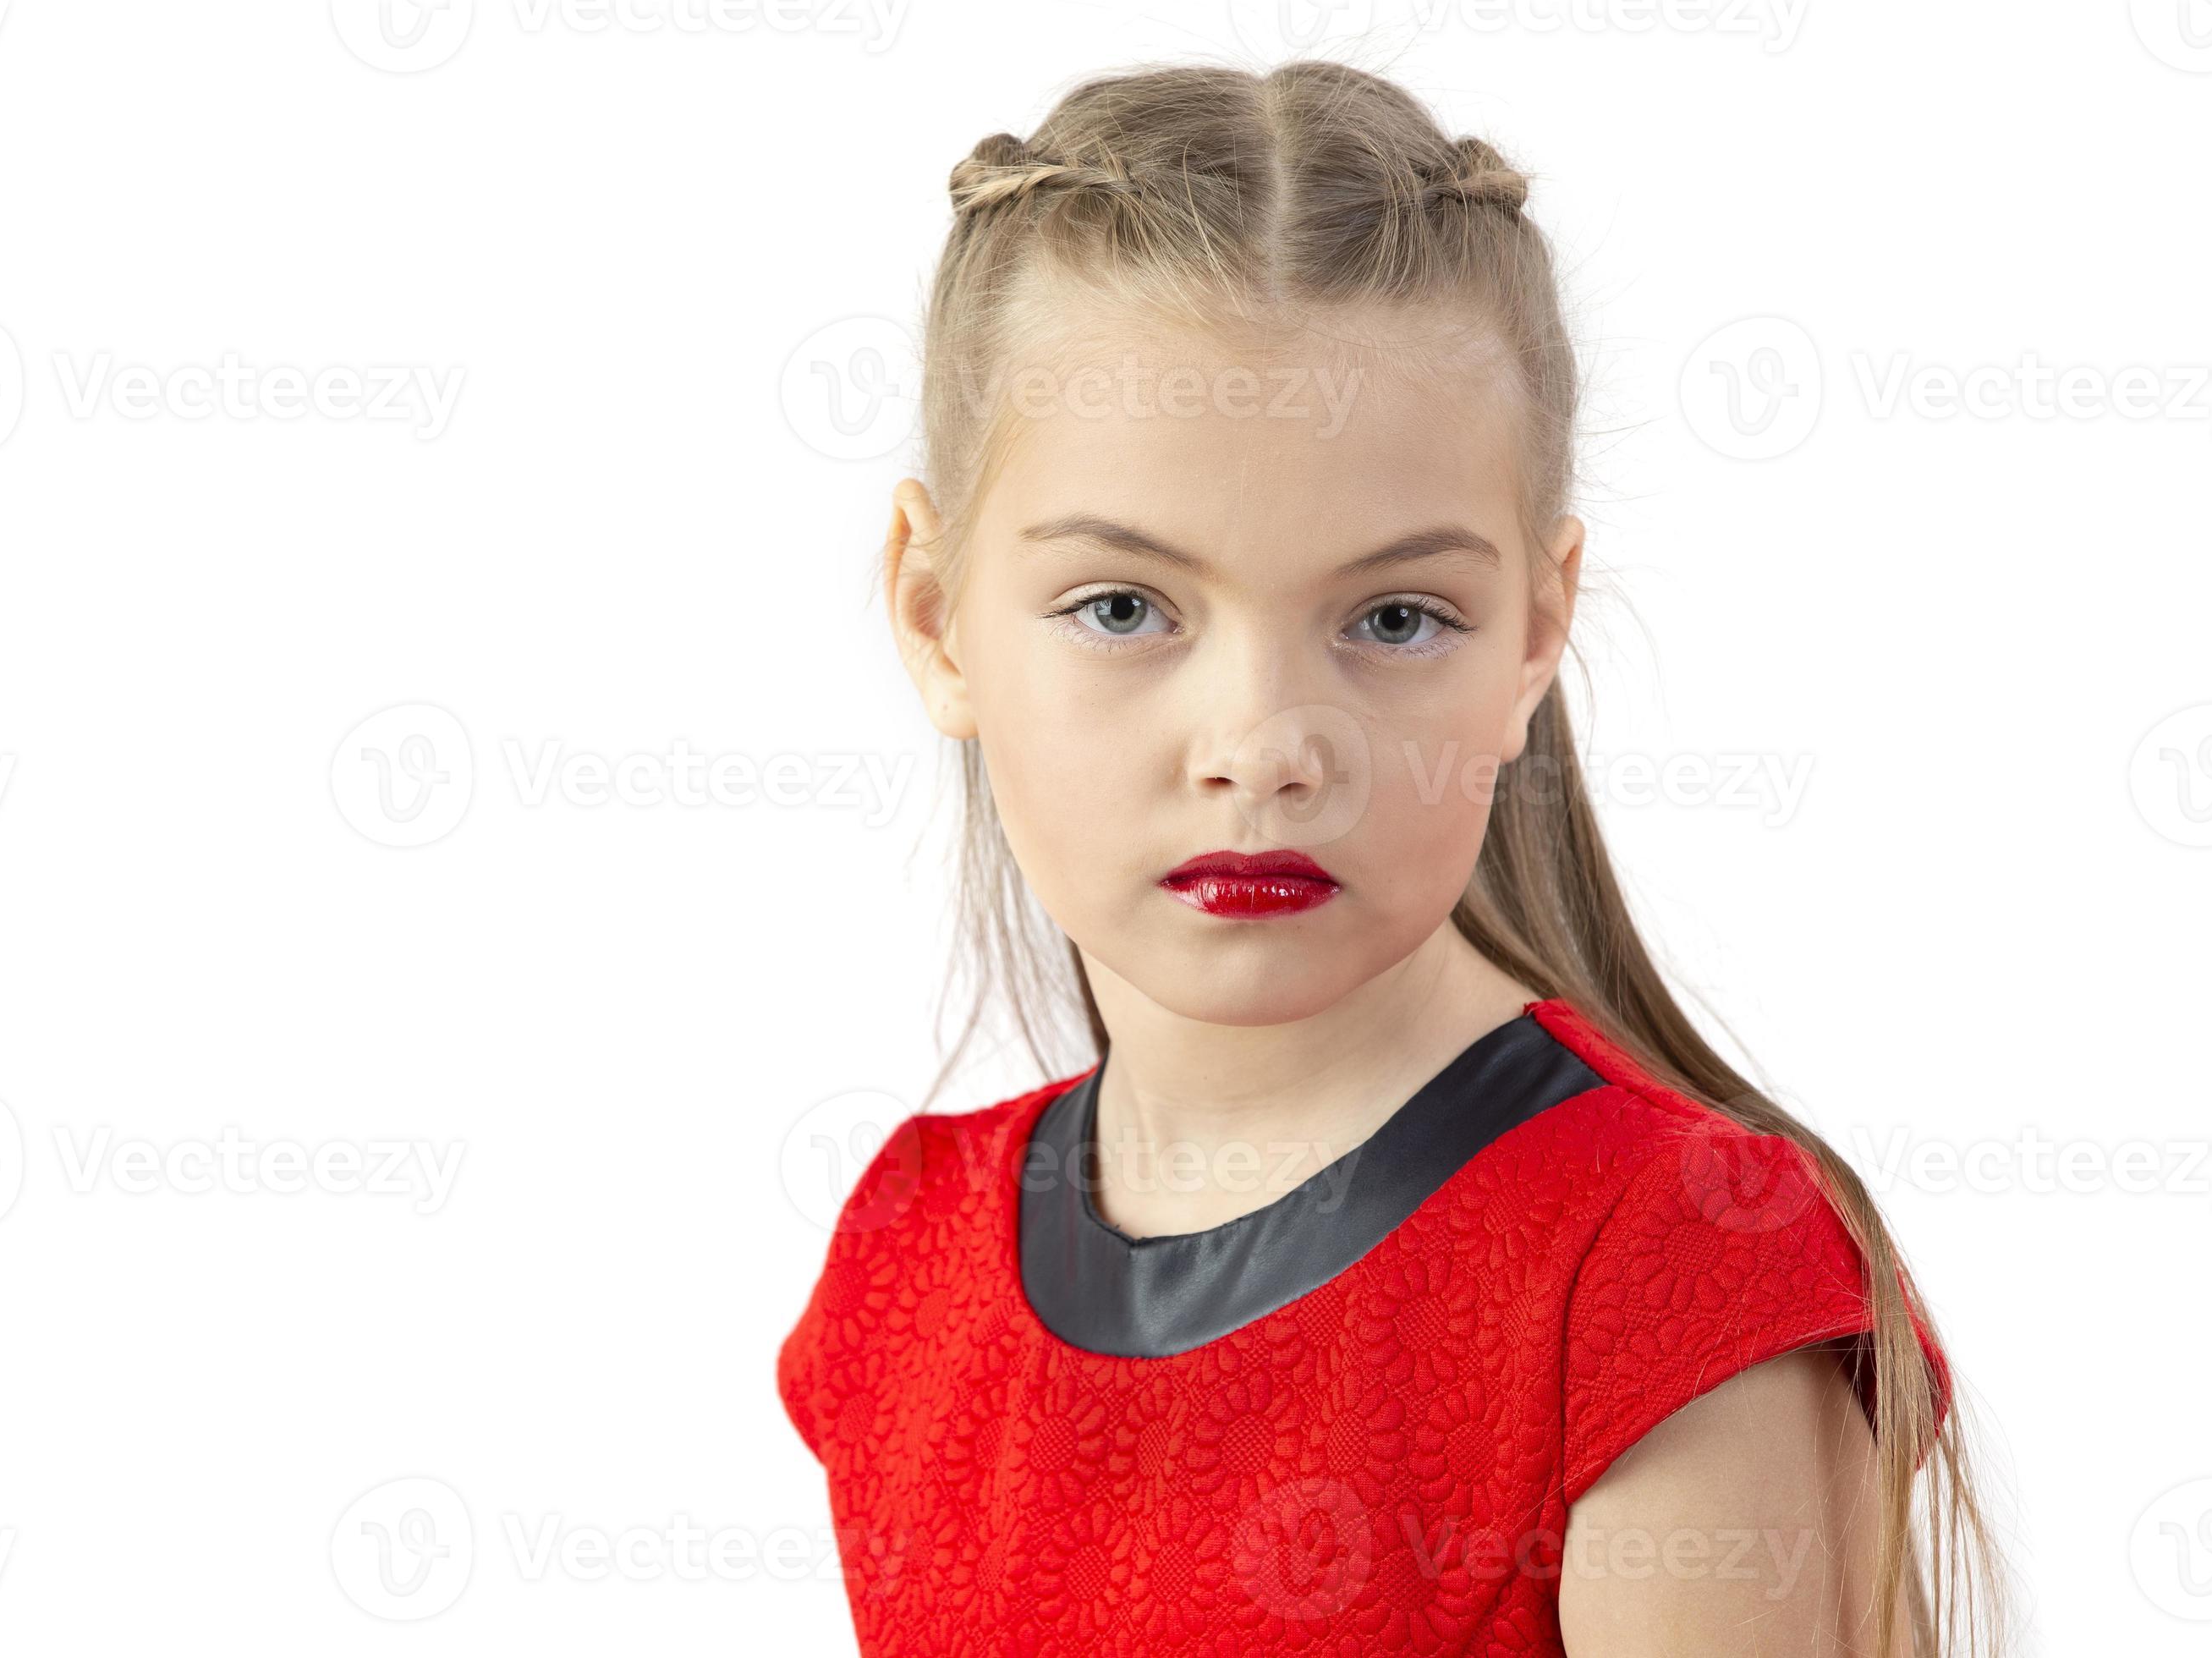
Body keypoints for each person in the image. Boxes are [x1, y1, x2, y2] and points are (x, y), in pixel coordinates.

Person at [777, 58, 2007, 1657]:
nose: (1267, 741)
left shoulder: (1670, 1270)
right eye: (1125, 609)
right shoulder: (903, 1264)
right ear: (936, 619)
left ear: (1532, 640)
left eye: (1395, 619)